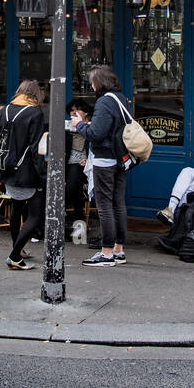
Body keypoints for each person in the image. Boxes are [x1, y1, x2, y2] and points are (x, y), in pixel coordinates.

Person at [70, 65, 131, 267]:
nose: (91, 86)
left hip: (105, 158)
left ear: (99, 82)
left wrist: (79, 125)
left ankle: (106, 253)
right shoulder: (120, 99)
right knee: (118, 204)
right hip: (120, 157)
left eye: (92, 82)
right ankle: (119, 250)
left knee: (105, 206)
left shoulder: (105, 102)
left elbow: (96, 134)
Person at [1, 81, 47, 270]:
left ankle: (17, 248)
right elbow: (36, 149)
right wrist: (43, 175)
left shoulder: (6, 109)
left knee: (16, 208)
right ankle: (14, 256)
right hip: (27, 169)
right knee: (35, 215)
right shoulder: (35, 113)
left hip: (8, 166)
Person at [65, 99, 93, 245]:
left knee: (73, 181)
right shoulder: (66, 126)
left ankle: (58, 214)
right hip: (67, 167)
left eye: (78, 110)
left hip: (85, 167)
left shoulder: (92, 127)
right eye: (71, 110)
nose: (74, 113)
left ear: (86, 113)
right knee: (75, 190)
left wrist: (88, 160)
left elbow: (95, 148)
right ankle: (79, 230)